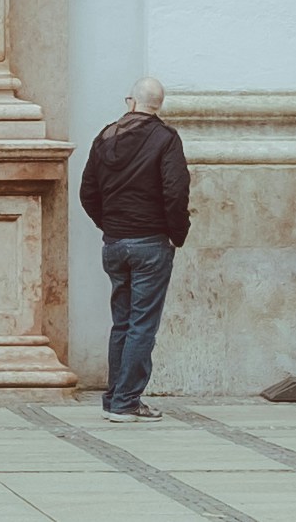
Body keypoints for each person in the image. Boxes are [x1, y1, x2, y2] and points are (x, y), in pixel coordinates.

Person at [78, 75, 189, 422]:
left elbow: (87, 193)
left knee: (122, 323)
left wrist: (110, 226)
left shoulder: (105, 136)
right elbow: (176, 191)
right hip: (150, 243)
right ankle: (126, 401)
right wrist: (177, 234)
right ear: (159, 105)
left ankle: (115, 398)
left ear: (131, 102)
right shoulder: (166, 138)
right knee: (142, 324)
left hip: (114, 245)